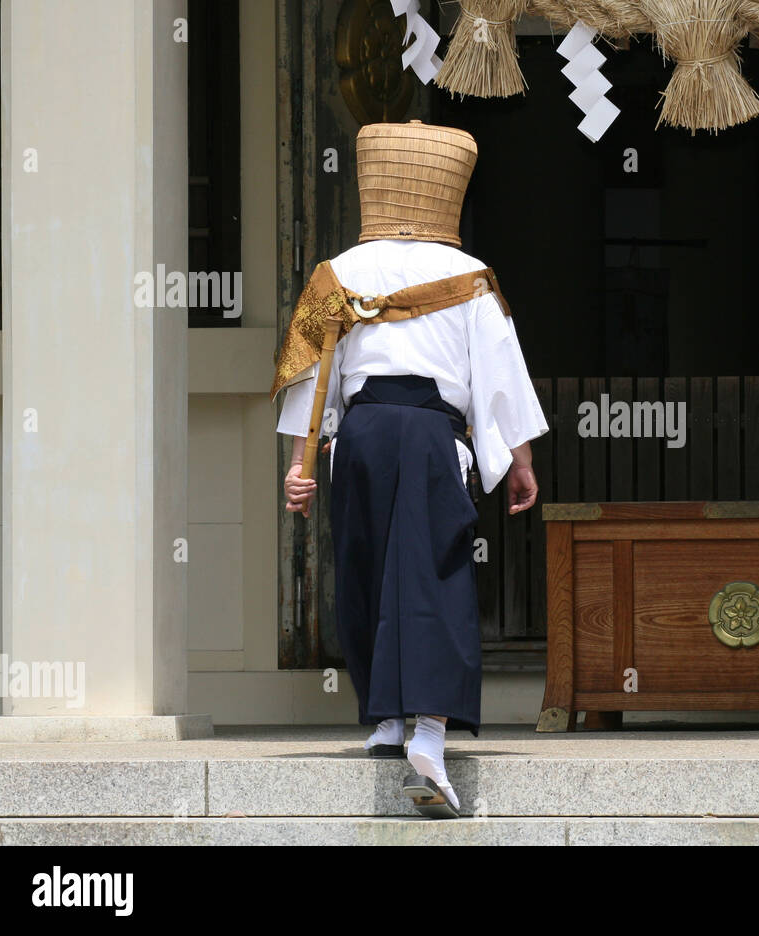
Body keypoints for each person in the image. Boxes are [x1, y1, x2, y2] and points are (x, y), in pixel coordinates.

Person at [271, 121, 548, 819]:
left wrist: (299, 466)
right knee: (433, 571)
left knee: (364, 566)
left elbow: (312, 376)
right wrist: (518, 460)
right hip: (430, 434)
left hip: (359, 435)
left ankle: (386, 718)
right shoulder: (471, 276)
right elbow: (499, 377)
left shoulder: (335, 273)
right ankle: (428, 731)